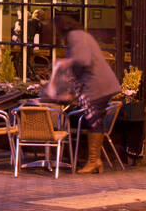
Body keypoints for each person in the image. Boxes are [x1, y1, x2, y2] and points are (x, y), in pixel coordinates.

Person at [44, 13, 120, 174]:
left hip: (97, 85)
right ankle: (95, 160)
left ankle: (94, 160)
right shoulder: (80, 36)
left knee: (93, 120)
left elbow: (83, 60)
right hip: (99, 84)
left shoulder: (75, 36)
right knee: (94, 120)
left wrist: (62, 64)